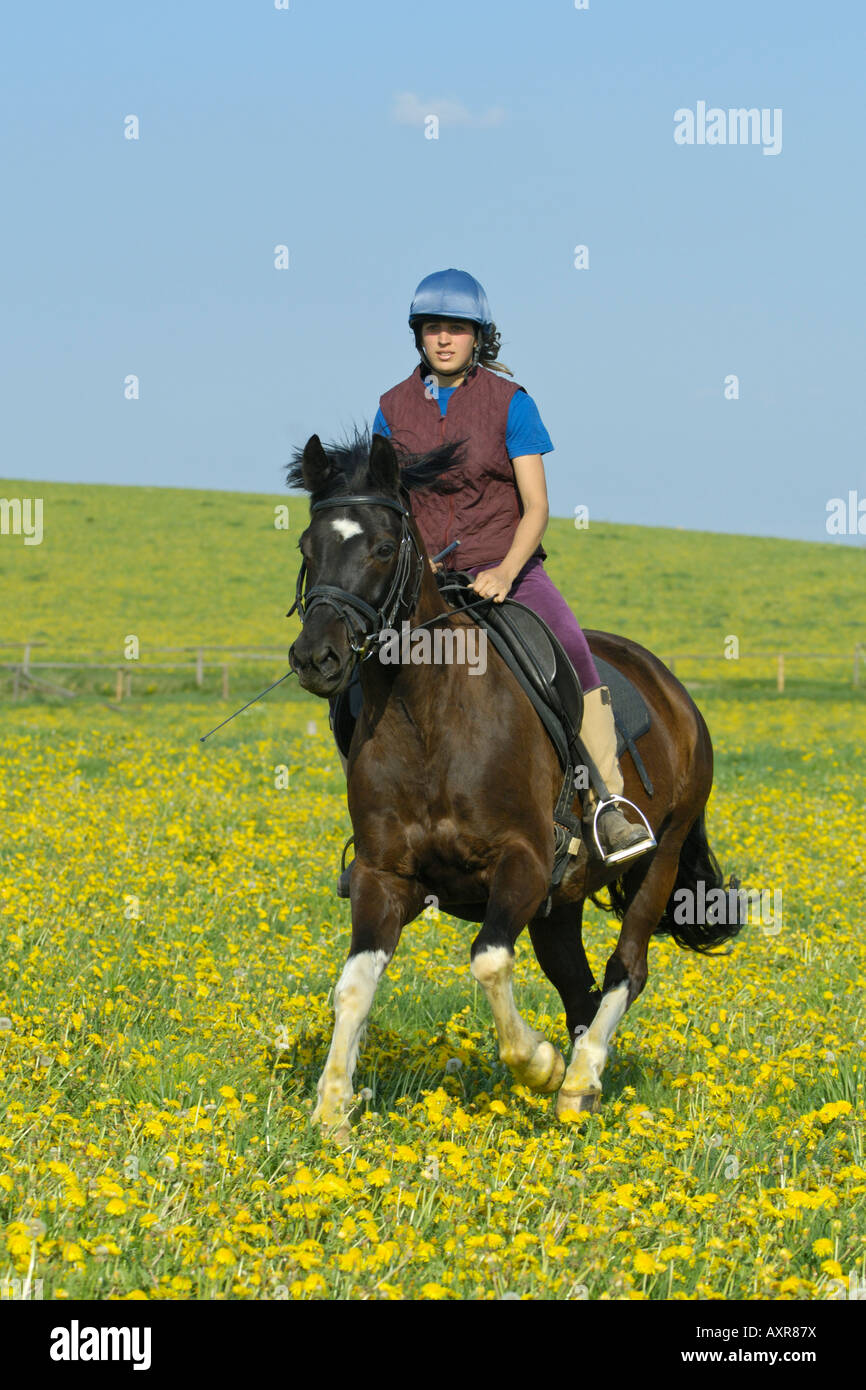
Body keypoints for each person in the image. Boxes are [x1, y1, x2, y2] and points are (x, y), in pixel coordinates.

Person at [334, 268, 654, 893]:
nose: (444, 339)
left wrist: (506, 571)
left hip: (506, 569)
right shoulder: (390, 408)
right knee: (357, 679)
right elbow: (382, 502)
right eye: (433, 329)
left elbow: (535, 505)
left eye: (456, 329)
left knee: (573, 658)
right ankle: (375, 828)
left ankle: (608, 805)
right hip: (421, 581)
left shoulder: (512, 403)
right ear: (418, 336)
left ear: (478, 336)